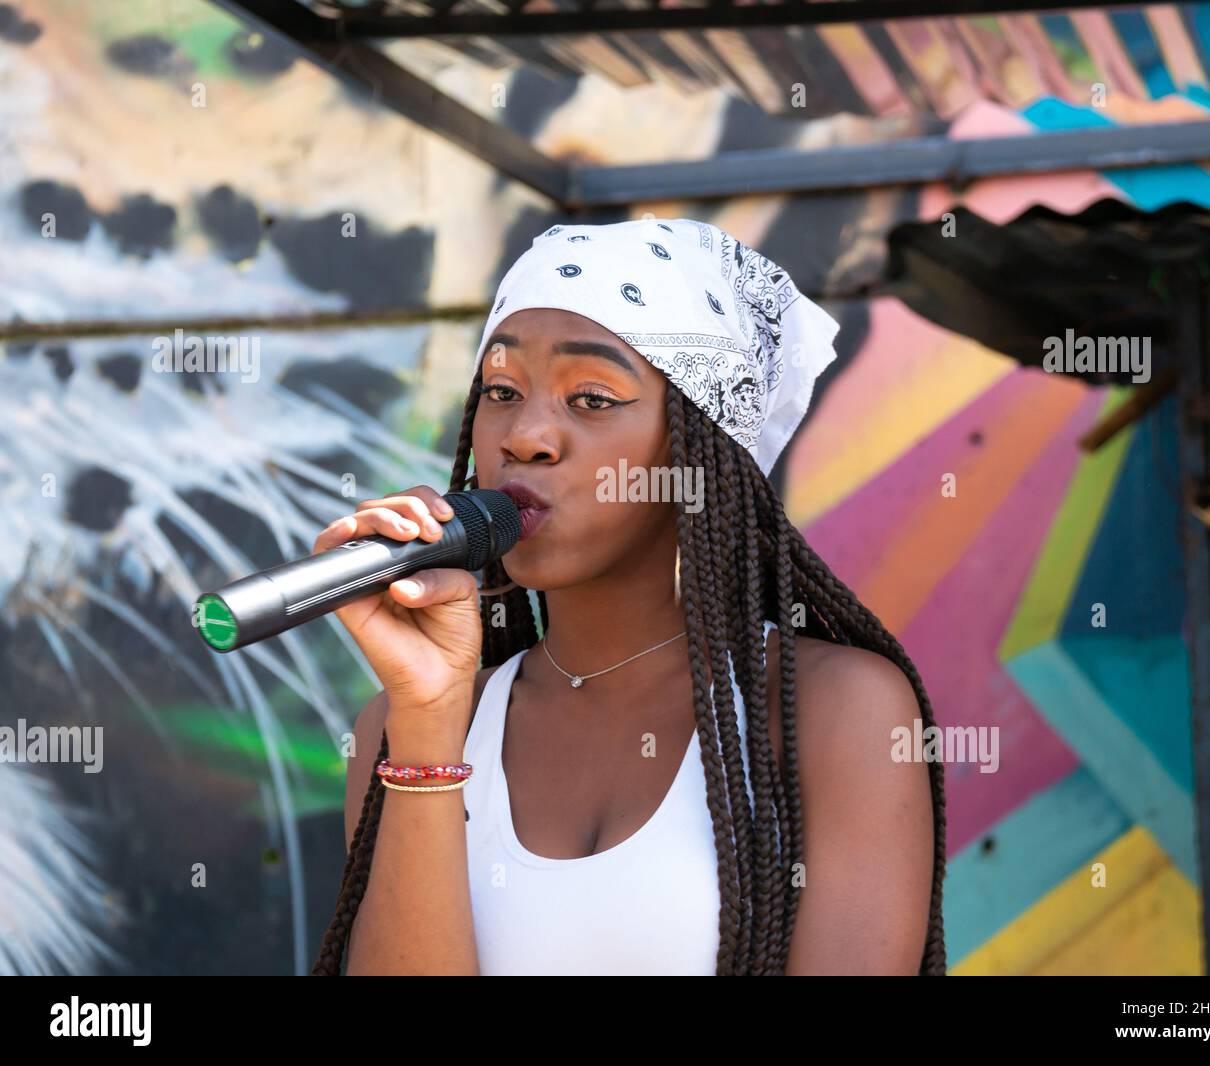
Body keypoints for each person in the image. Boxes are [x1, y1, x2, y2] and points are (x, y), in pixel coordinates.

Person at [311, 218, 946, 975]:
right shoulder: (403, 727)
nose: (526, 435)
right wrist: (425, 720)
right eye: (502, 390)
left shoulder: (834, 710)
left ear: (699, 450)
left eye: (593, 398)